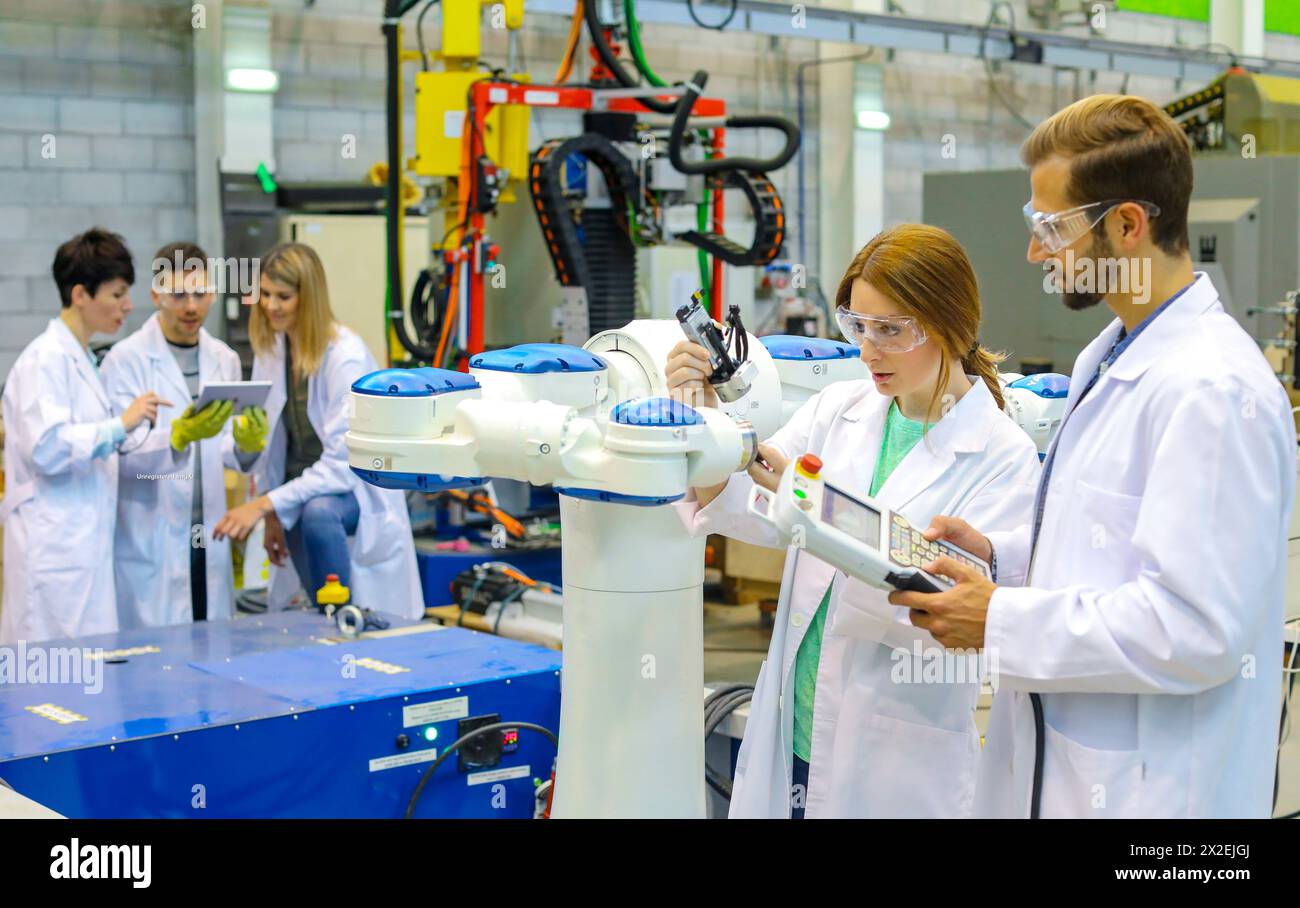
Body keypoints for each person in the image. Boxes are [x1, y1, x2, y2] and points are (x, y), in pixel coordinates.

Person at [889, 95, 1296, 818]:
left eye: (1052, 227)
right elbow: (1105, 549)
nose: (1035, 251)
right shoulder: (1107, 355)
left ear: (1129, 225)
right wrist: (999, 559)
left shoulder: (1210, 390)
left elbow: (1195, 631)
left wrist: (1001, 620)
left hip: (1159, 801)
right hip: (1071, 772)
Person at [665, 224, 1041, 818]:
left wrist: (815, 509)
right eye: (858, 325)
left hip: (895, 753)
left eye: (891, 330)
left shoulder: (1000, 456)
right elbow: (746, 508)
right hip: (796, 729)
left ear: (950, 324)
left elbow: (951, 612)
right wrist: (706, 424)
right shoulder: (839, 410)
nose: (868, 350)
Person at [212, 242, 423, 619]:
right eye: (264, 294)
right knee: (304, 521)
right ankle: (330, 624)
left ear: (308, 297)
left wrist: (264, 506)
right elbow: (272, 454)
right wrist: (273, 513)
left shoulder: (345, 356)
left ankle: (342, 622)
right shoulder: (274, 350)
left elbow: (342, 467)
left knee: (318, 512)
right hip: (299, 490)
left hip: (355, 491)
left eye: (283, 297)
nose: (271, 306)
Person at [0, 228, 169, 643]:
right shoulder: (45, 360)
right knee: (48, 691)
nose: (127, 306)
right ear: (80, 295)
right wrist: (120, 424)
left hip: (82, 549)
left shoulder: (82, 359)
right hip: (54, 550)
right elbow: (47, 448)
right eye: (116, 294)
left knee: (88, 679)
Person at [100, 242, 267, 628]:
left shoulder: (223, 358)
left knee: (211, 645)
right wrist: (175, 438)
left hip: (207, 533)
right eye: (178, 295)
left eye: (200, 293)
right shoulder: (124, 361)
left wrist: (245, 448)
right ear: (156, 294)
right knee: (151, 659)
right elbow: (119, 459)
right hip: (152, 535)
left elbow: (222, 447)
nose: (191, 307)